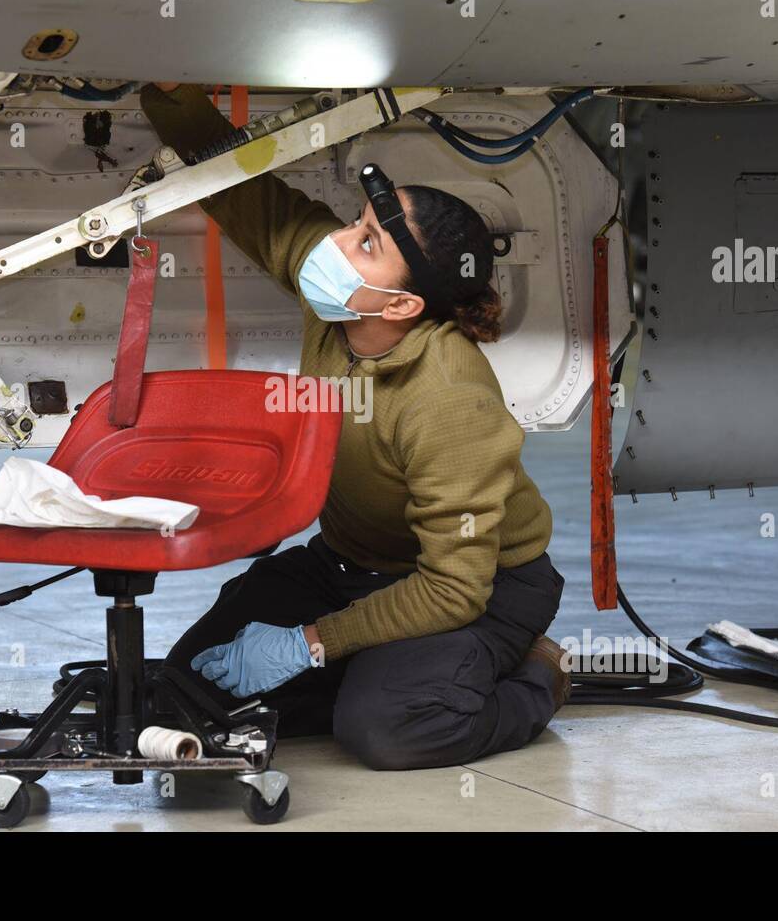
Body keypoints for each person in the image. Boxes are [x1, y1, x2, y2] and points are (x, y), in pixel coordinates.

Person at [141, 82, 569, 771]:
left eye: (366, 241)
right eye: (356, 221)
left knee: (388, 728)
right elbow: (243, 188)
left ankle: (535, 676)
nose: (336, 242)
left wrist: (306, 644)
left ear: (400, 304)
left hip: (481, 588)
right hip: (345, 564)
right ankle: (371, 667)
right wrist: (165, 92)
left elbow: (453, 587)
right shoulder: (342, 302)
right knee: (187, 690)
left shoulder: (449, 399)